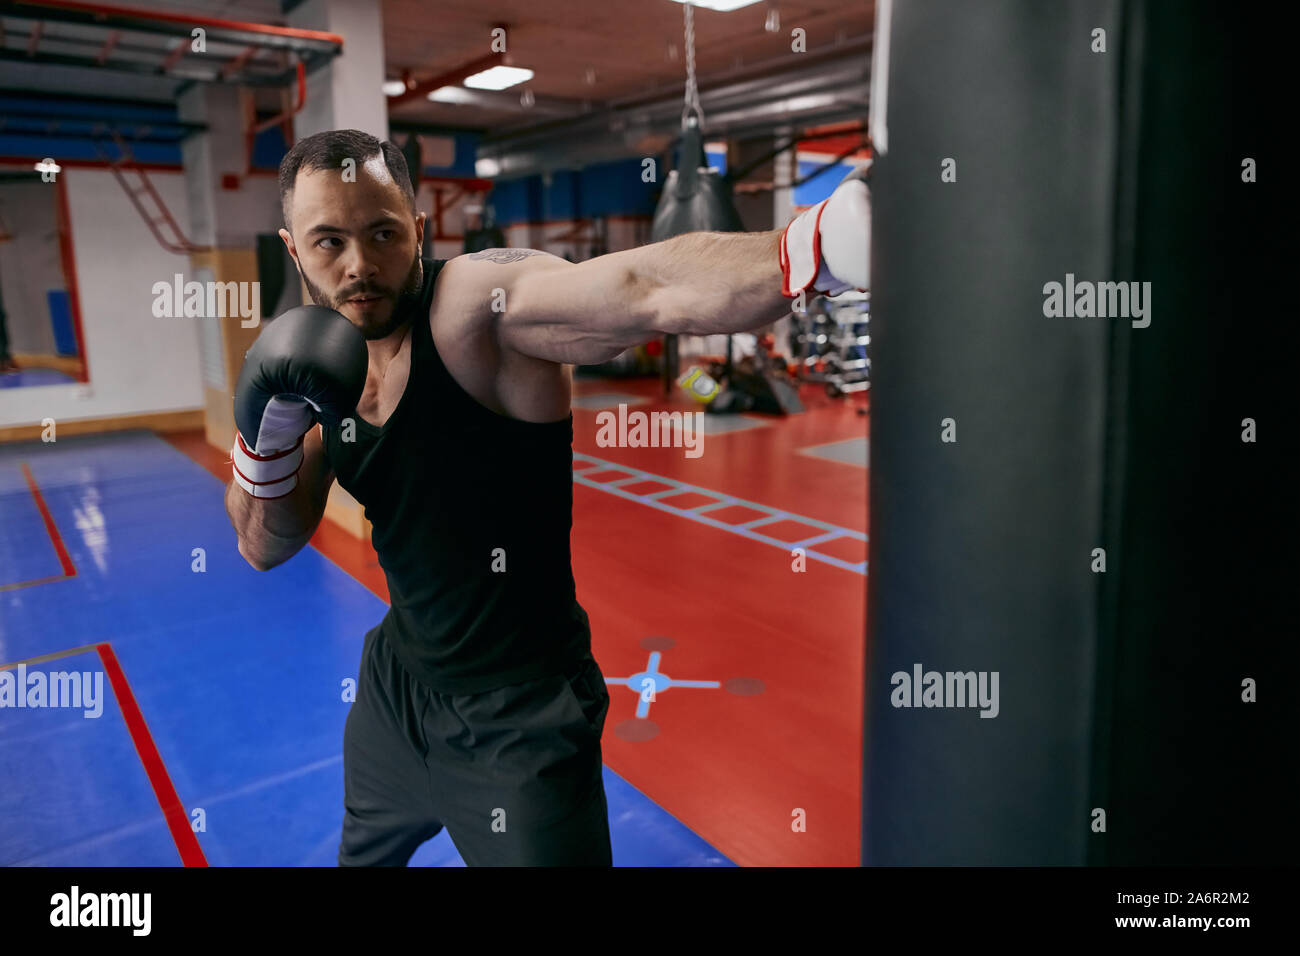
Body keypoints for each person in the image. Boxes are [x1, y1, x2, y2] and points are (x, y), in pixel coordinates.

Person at [224, 129, 867, 866]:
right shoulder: (317, 367)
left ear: (420, 228)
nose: (361, 265)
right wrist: (264, 446)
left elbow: (641, 288)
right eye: (328, 241)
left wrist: (815, 246)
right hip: (394, 696)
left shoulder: (472, 309)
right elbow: (261, 546)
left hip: (520, 720)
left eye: (383, 233)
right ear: (293, 249)